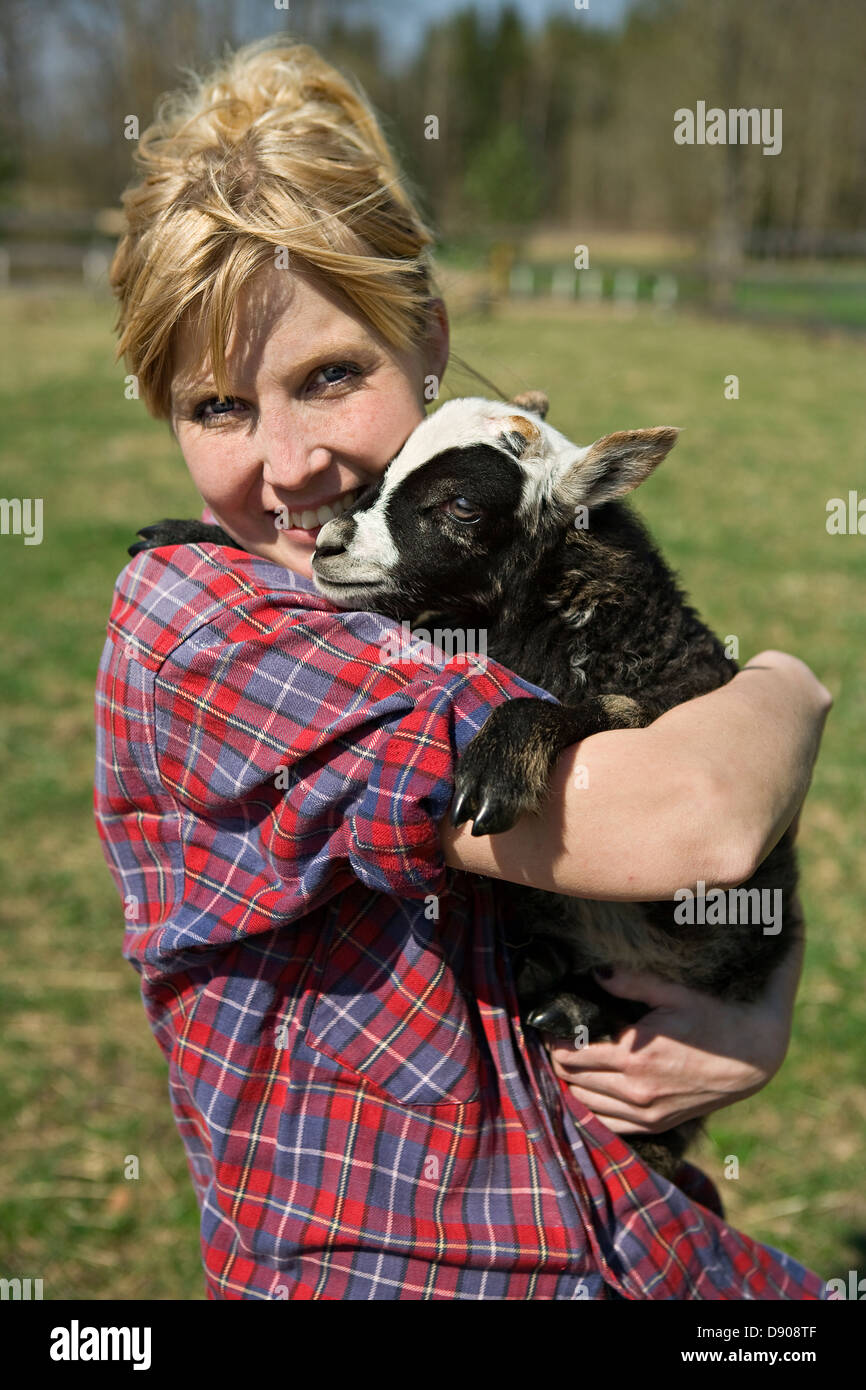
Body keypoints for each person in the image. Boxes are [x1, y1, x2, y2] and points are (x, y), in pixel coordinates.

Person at [95, 34, 832, 1300]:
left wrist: (743, 1016)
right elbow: (700, 811)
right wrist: (787, 685)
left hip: (625, 1233)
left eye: (330, 377)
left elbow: (727, 869)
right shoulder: (197, 629)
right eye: (217, 409)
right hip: (401, 1264)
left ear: (426, 345)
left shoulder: (436, 582)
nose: (288, 468)